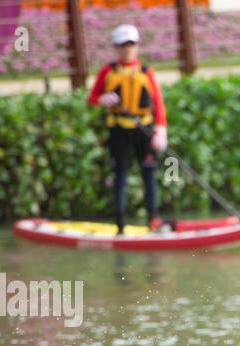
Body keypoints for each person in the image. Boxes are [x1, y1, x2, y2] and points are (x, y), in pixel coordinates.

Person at [88, 24, 168, 235]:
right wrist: (102, 100)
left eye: (130, 45)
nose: (126, 49)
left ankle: (153, 220)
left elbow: (158, 102)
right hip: (119, 131)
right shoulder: (107, 71)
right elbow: (92, 98)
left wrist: (161, 130)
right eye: (122, 46)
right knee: (121, 175)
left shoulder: (146, 72)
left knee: (149, 174)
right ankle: (120, 225)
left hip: (144, 130)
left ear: (137, 46)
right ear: (115, 48)